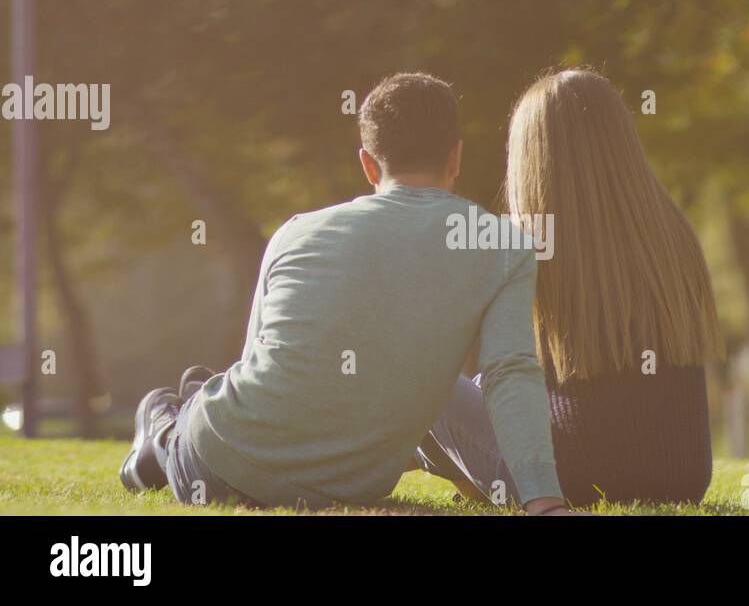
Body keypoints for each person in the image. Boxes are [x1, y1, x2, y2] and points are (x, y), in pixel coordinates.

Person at [120, 72, 576, 515]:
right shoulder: (504, 247)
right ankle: (159, 428)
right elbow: (509, 371)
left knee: (200, 399)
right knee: (179, 408)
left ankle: (174, 416)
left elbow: (256, 359)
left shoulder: (295, 232)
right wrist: (544, 501)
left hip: (218, 466)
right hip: (335, 485)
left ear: (368, 164)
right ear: (455, 157)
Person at [418, 69, 724, 506]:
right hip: (683, 475)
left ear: (528, 159)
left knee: (423, 370)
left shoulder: (518, 245)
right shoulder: (673, 234)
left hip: (564, 477)